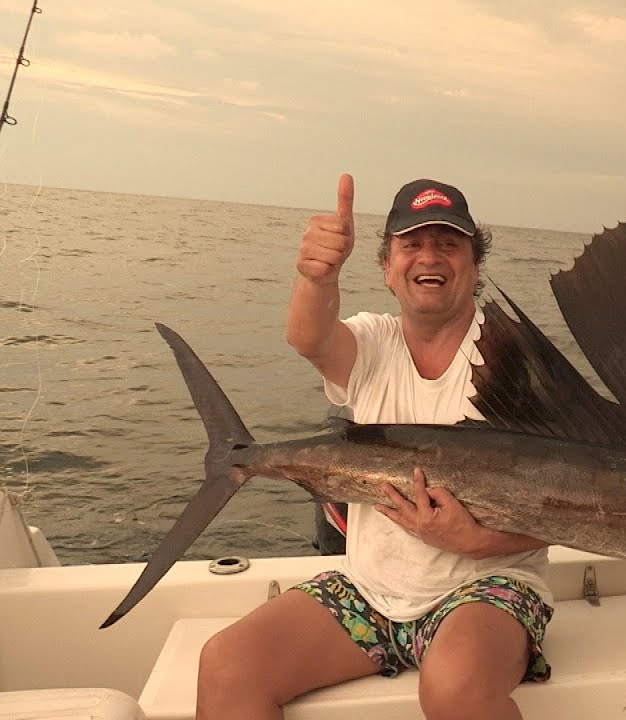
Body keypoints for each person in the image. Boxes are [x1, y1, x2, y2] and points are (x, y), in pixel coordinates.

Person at [195, 174, 554, 720]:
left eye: (448, 243)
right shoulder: (372, 342)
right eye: (411, 244)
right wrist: (316, 278)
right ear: (387, 267)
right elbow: (309, 338)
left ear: (475, 267)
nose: (429, 256)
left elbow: (578, 507)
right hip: (370, 592)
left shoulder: (516, 360)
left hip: (490, 586)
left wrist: (477, 541)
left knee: (454, 687)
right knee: (226, 666)